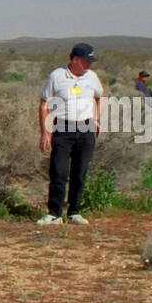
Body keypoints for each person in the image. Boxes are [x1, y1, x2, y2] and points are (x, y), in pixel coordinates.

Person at [37, 42, 103, 225]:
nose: (89, 65)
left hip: (86, 128)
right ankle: (54, 213)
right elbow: (44, 104)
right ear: (75, 60)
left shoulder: (92, 77)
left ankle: (74, 211)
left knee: (80, 171)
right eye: (85, 61)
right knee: (58, 171)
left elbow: (100, 96)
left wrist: (97, 120)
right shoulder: (57, 76)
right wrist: (45, 133)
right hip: (63, 128)